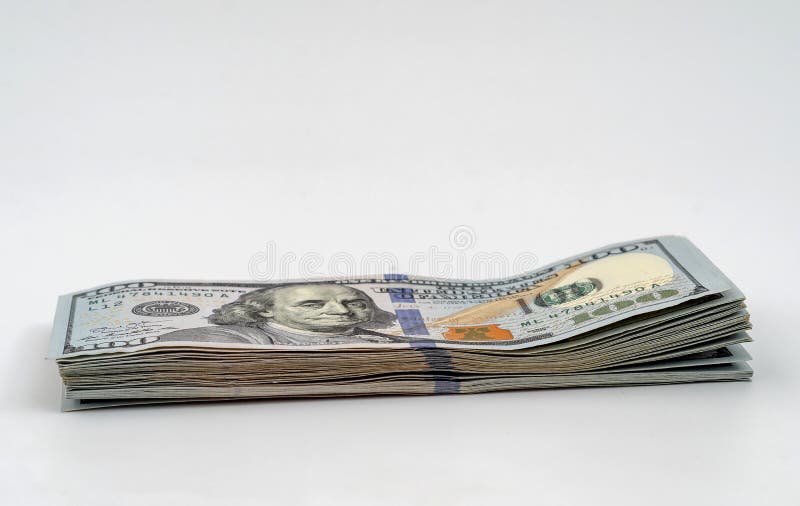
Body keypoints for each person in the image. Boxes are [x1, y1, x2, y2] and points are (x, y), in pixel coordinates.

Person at [158, 283, 407, 345]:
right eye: (312, 305)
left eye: (355, 303)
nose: (341, 311)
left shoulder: (394, 342)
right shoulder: (221, 338)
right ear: (265, 309)